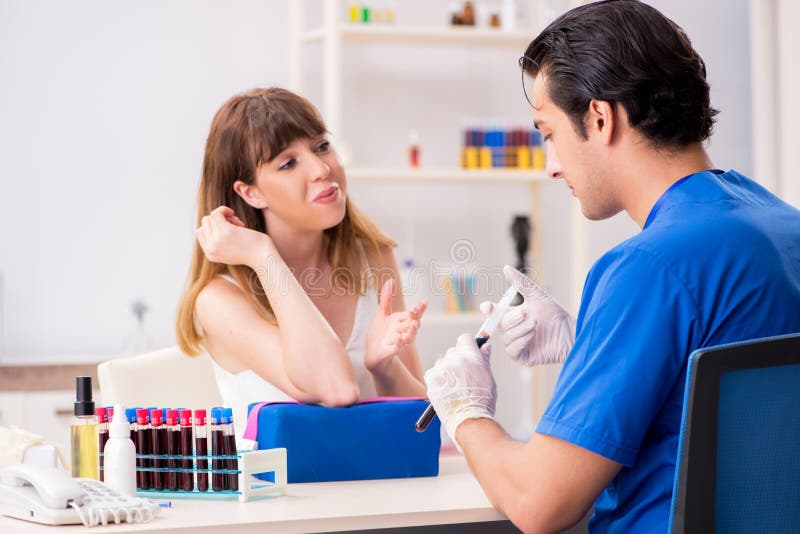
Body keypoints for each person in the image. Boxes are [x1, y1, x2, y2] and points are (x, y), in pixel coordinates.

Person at [423, 1, 800, 532]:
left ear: (600, 119)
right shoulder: (783, 227)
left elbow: (539, 504)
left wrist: (465, 411)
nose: (551, 166)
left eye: (548, 133)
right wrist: (587, 343)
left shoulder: (649, 266)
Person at [176, 87, 427, 437]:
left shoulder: (373, 258)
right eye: (288, 163)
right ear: (251, 192)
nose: (322, 169)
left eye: (322, 146)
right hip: (281, 492)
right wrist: (263, 257)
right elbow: (335, 389)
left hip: (380, 485)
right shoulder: (219, 299)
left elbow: (419, 423)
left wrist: (384, 368)